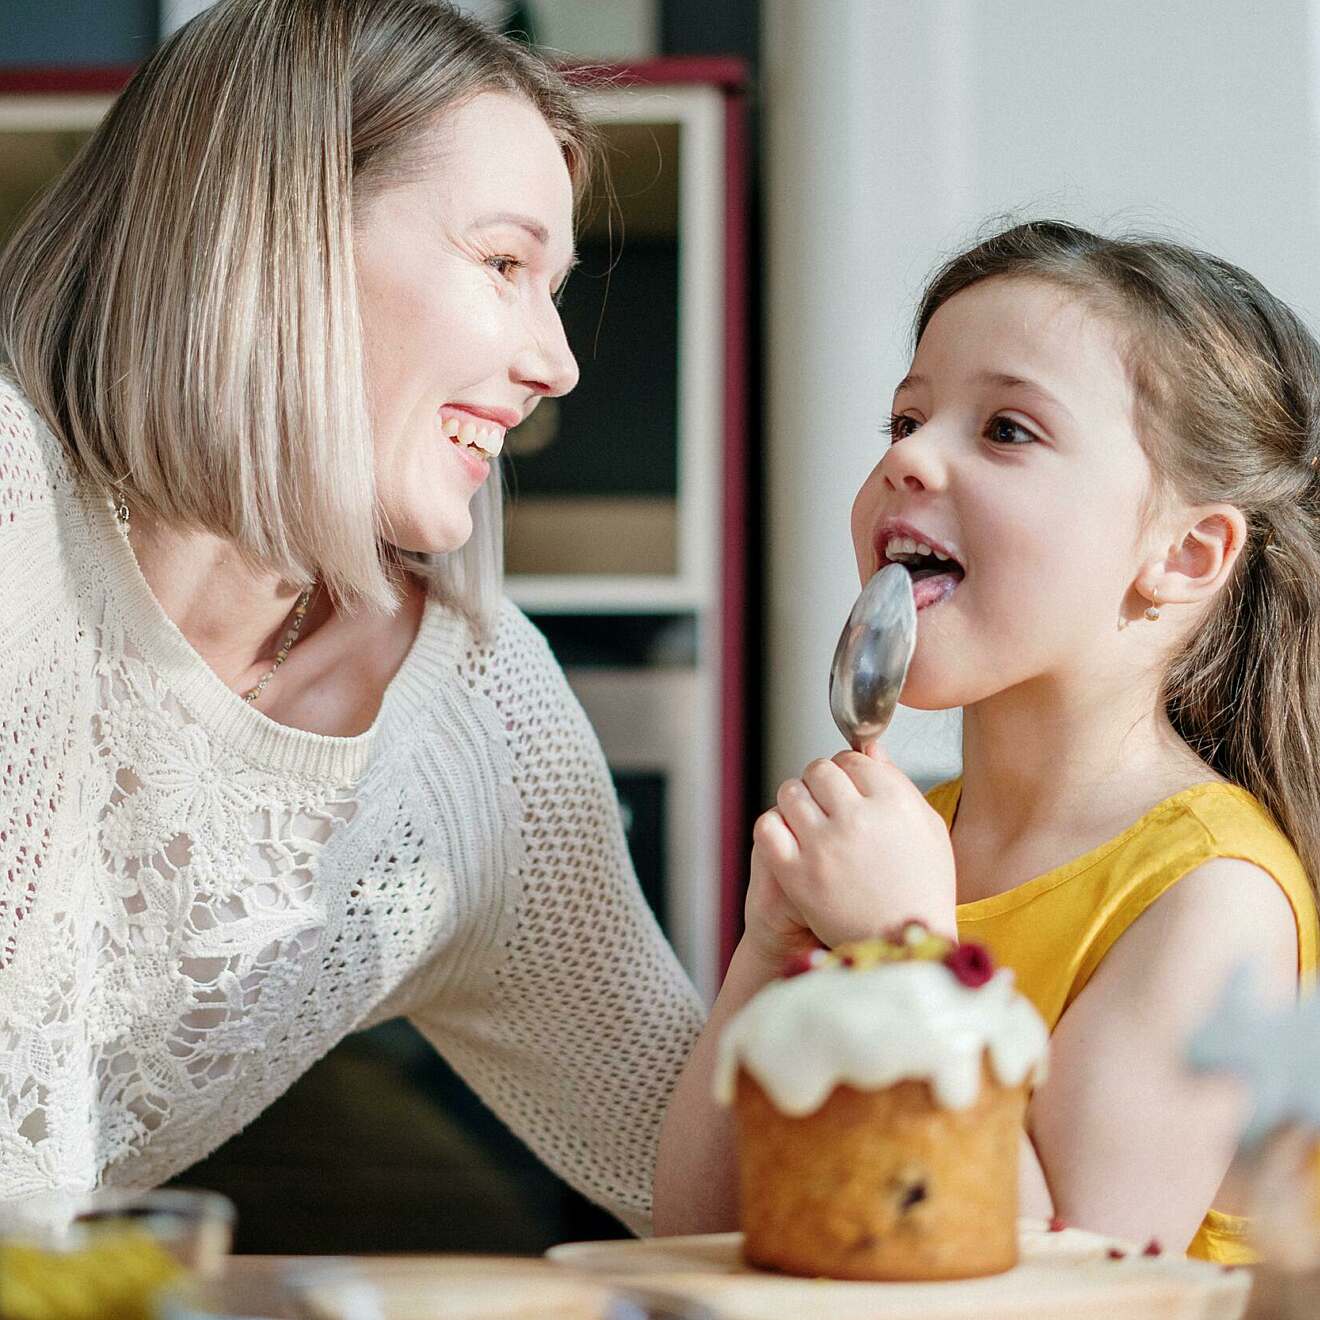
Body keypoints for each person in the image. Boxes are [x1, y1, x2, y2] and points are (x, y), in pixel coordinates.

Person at [0, 0, 707, 1236]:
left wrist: (858, 940)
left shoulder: (478, 723)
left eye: (553, 288)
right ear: (280, 235)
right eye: (501, 264)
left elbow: (708, 1188)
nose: (559, 362)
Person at [656, 220, 1320, 1261]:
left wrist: (905, 953)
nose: (908, 456)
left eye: (1007, 429)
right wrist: (771, 947)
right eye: (905, 417)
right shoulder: (909, 844)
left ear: (1186, 553)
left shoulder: (1211, 894)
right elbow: (699, 1234)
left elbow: (1073, 1281)